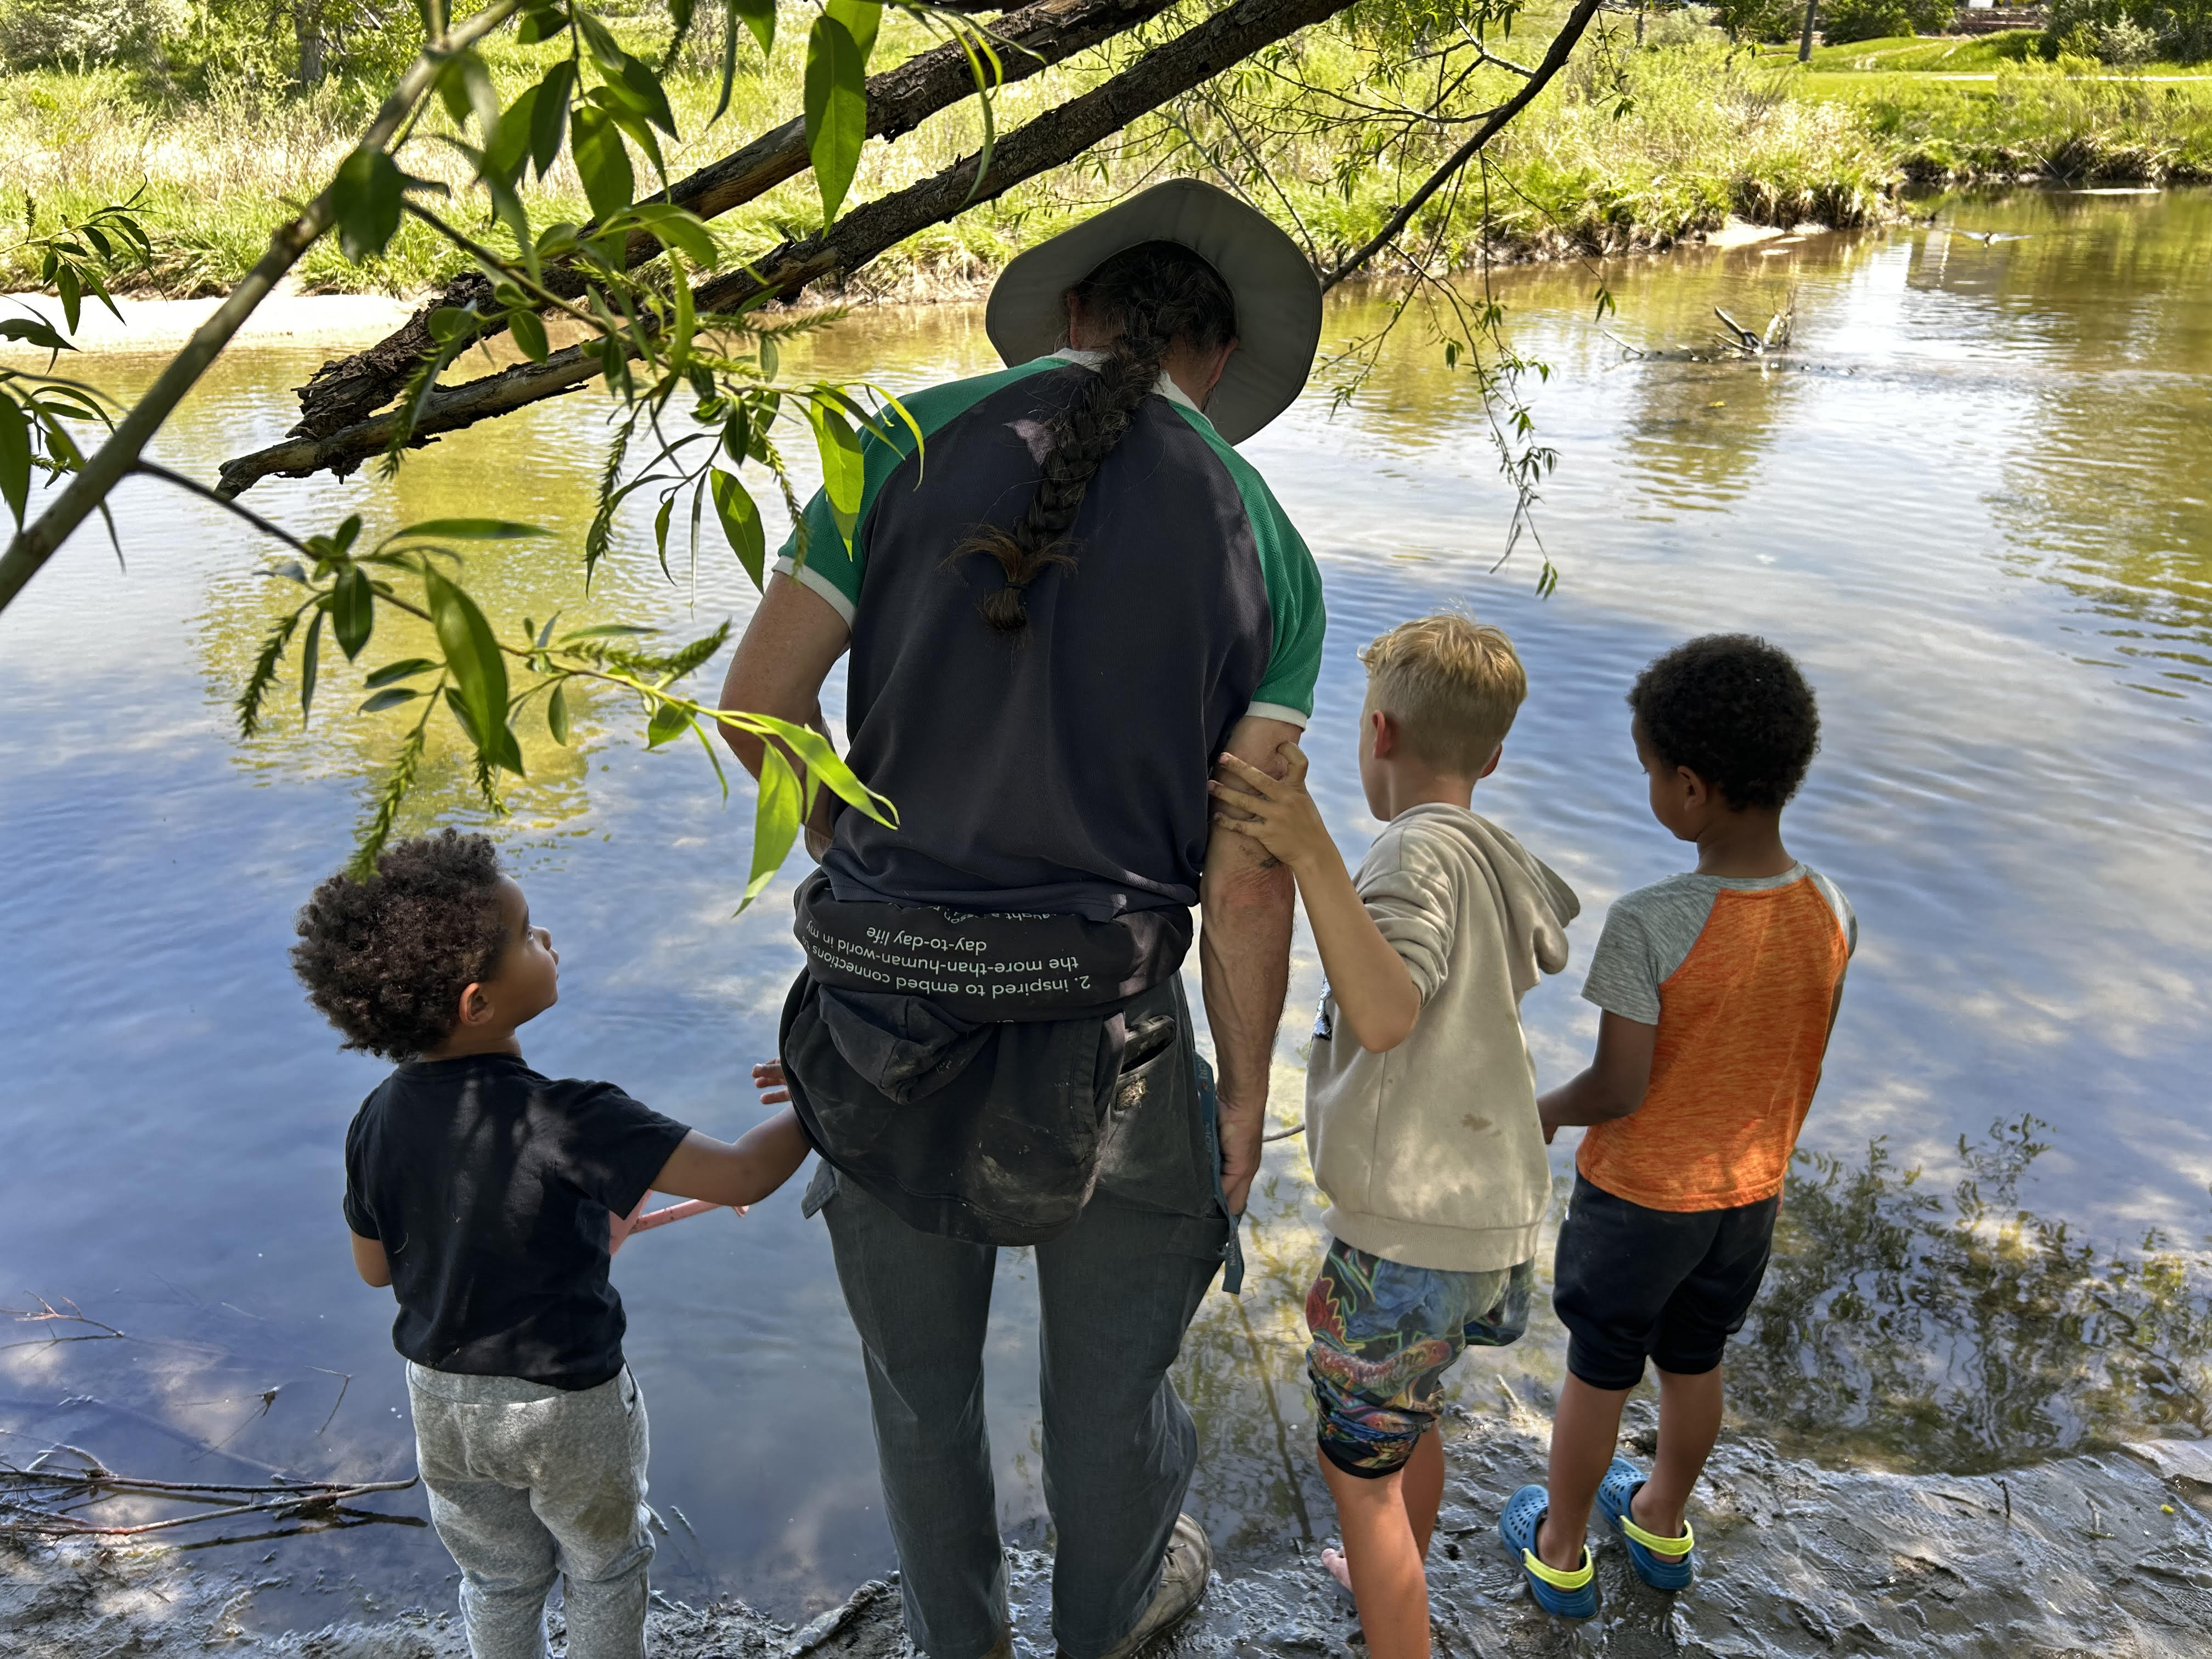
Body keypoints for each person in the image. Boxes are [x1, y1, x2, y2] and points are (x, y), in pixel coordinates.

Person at [716, 178, 1327, 1659]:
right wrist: (1246, 1097)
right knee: (1110, 1401)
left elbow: (758, 709)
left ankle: (961, 1643)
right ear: (1214, 359)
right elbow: (1246, 873)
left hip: (882, 1014)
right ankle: (1105, 1626)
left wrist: (860, 851)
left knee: (919, 1395)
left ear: (1069, 313)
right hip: (1109, 1039)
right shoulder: (1263, 536)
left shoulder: (896, 445)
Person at [294, 830, 810, 1659]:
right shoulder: (572, 1116)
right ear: (477, 1004)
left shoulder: (376, 1117)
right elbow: (745, 1174)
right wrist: (827, 1092)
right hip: (565, 1401)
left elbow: (375, 1269)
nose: (546, 938)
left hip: (443, 1403)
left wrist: (569, 1237)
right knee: (605, 1568)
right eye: (526, 932)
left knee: (498, 1579)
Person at [1206, 615, 1578, 1659]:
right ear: (1492, 758)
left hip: (1408, 1232)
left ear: (1377, 732)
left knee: (1357, 1475)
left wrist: (1311, 848)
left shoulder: (1411, 851)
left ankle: (1392, 1609)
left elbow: (1384, 1013)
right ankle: (1395, 1575)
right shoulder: (1488, 857)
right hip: (1489, 1219)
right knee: (1410, 1417)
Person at [1505, 635, 1855, 1617]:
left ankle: (1561, 1549)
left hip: (1639, 1199)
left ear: (1691, 788)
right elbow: (1799, 1057)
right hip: (1749, 1195)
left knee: (1599, 1370)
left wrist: (1546, 1111)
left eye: (1651, 772)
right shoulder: (1831, 908)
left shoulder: (1651, 921)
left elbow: (1619, 1088)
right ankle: (1660, 1523)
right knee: (1696, 1360)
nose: (1651, 788)